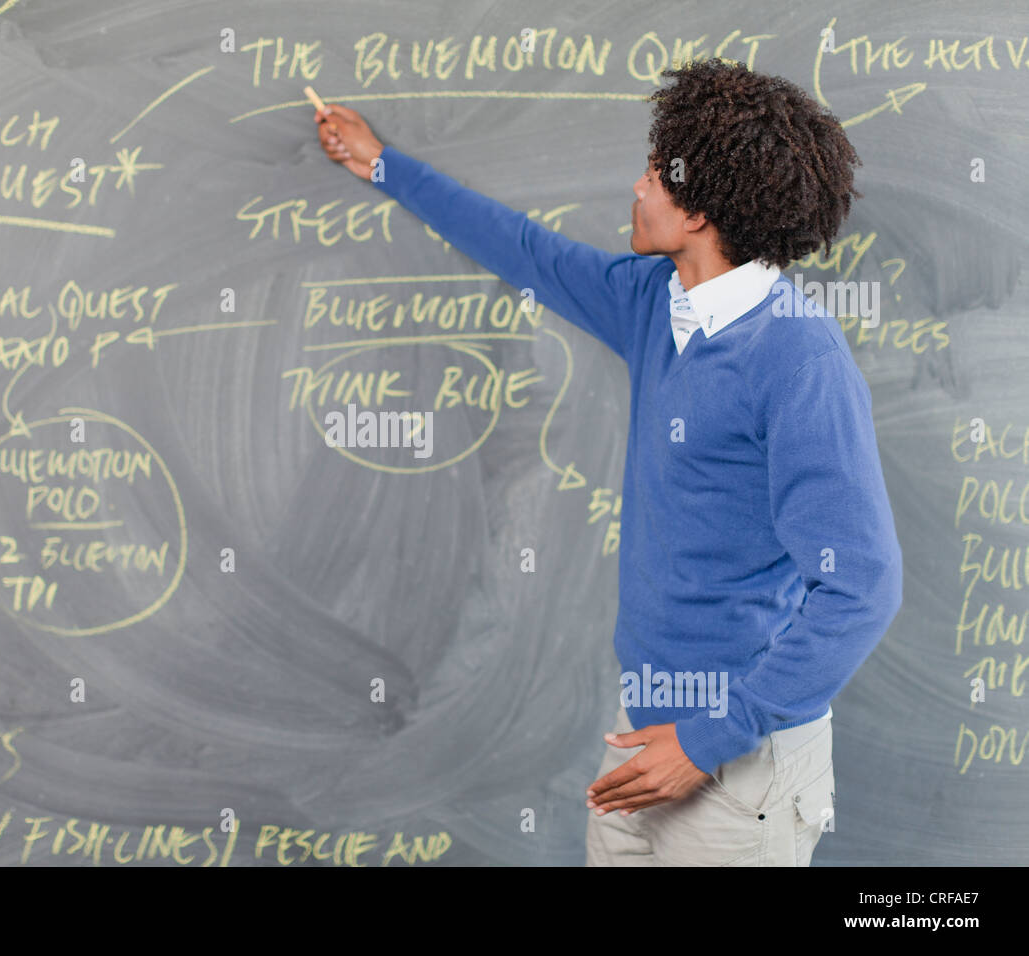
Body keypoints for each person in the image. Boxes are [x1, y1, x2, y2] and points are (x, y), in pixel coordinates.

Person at [312, 58, 903, 866]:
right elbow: (525, 251)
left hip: (738, 764)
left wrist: (710, 738)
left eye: (656, 173)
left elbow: (862, 586)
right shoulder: (651, 303)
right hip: (643, 731)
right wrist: (380, 163)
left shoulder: (798, 358)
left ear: (698, 210)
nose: (637, 184)